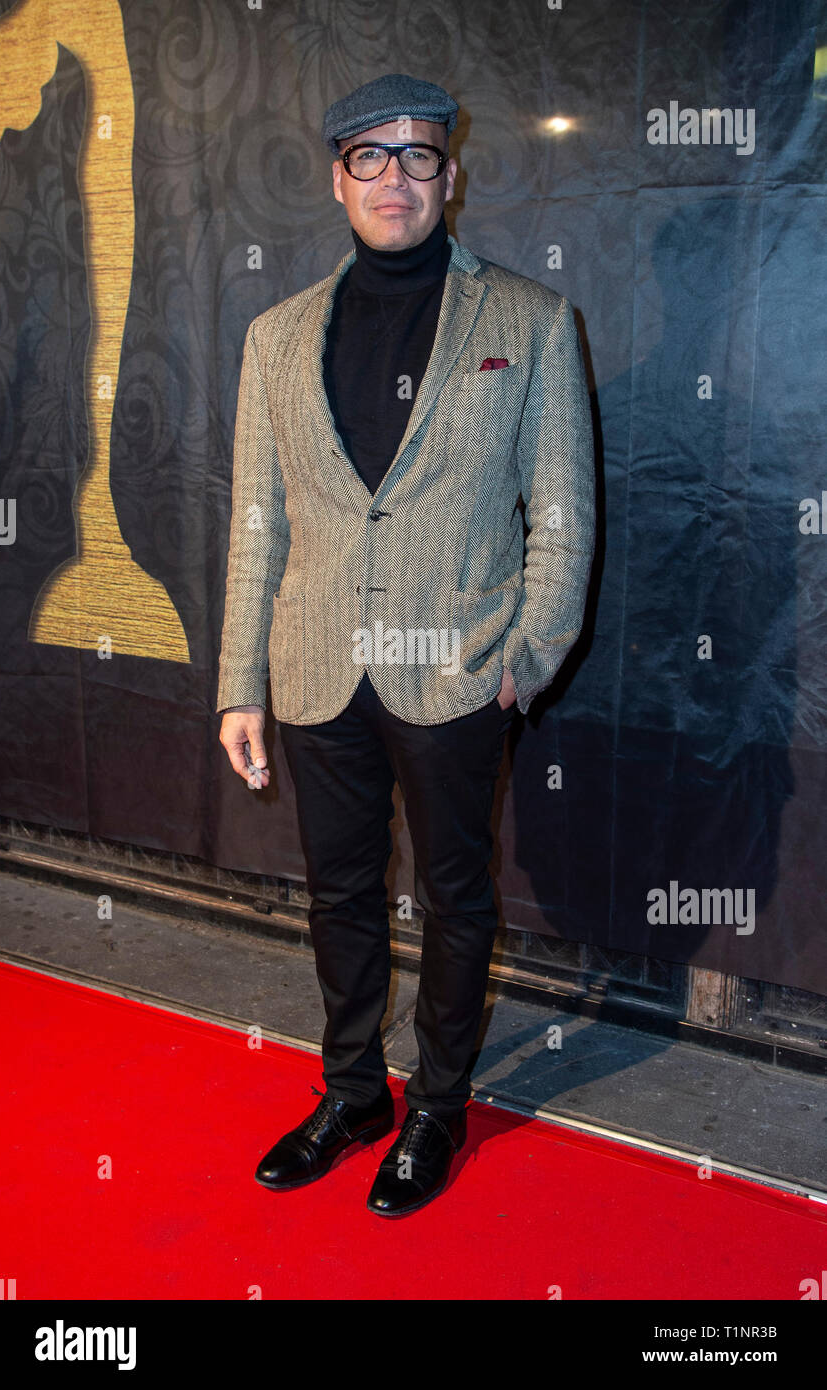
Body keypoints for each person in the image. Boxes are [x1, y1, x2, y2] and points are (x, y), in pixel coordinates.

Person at [216, 73, 595, 1216]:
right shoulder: (275, 337)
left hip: (457, 667)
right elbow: (256, 521)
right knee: (336, 891)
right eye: (369, 157)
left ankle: (435, 1101)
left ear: (450, 172)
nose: (394, 177)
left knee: (452, 893)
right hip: (317, 665)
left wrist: (523, 657)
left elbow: (563, 516)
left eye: (416, 155)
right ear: (337, 177)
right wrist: (239, 678)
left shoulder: (528, 322)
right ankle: (350, 1092)